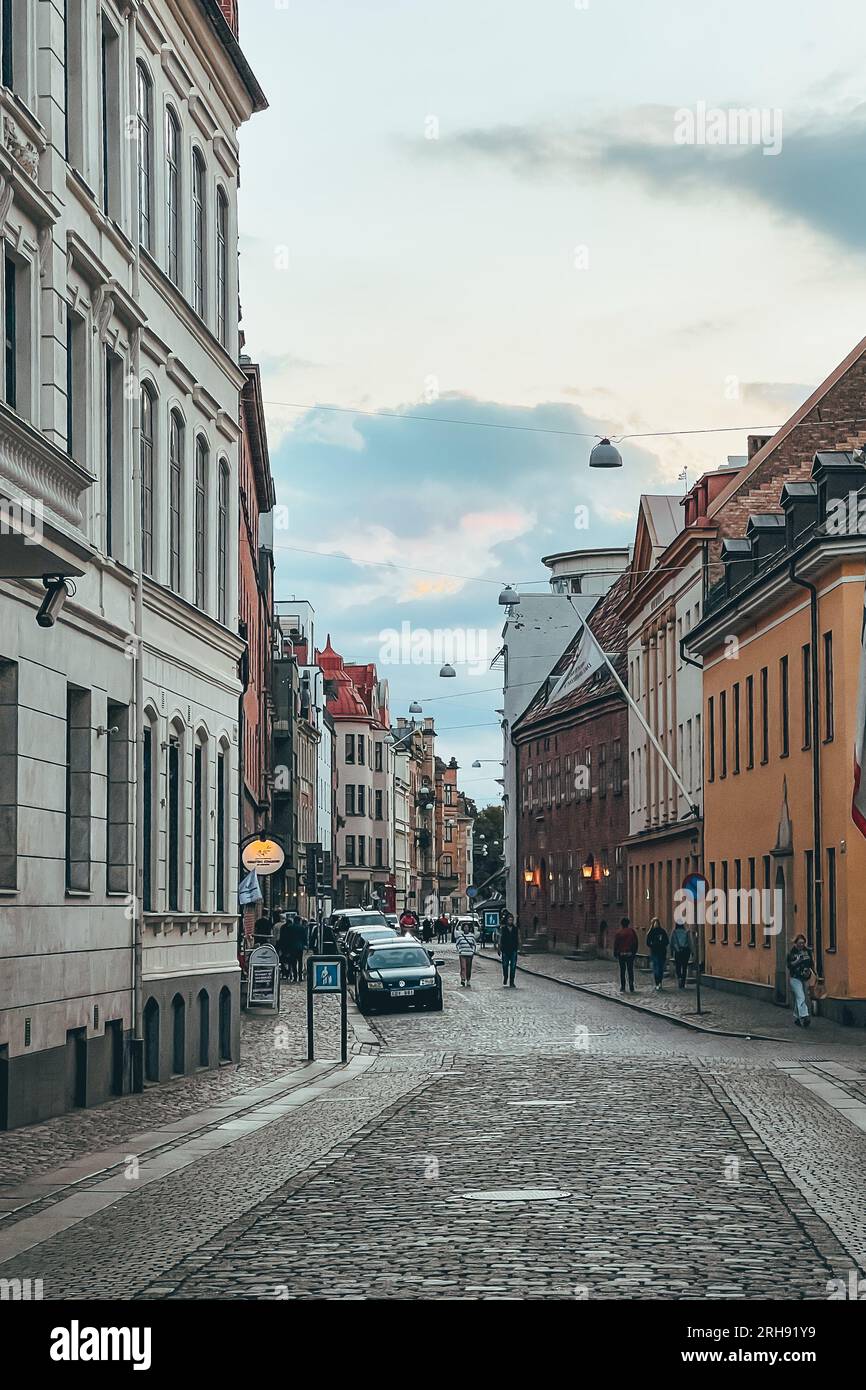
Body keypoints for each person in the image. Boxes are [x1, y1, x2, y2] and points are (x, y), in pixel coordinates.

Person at [787, 934, 814, 1028]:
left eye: (803, 943)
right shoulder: (792, 953)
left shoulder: (808, 952)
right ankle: (804, 1016)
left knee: (803, 997)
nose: (801, 945)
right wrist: (796, 961)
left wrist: (815, 974)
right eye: (799, 943)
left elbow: (811, 964)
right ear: (795, 943)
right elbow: (789, 965)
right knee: (800, 996)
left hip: (805, 977)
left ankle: (797, 1018)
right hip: (795, 978)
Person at [613, 916, 638, 993]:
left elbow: (616, 944)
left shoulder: (619, 933)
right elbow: (635, 943)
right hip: (630, 954)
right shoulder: (632, 932)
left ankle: (623, 986)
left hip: (621, 954)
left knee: (622, 970)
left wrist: (615, 952)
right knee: (630, 970)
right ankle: (631, 986)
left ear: (622, 924)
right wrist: (634, 952)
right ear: (628, 924)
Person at [646, 917, 669, 992]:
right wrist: (658, 945)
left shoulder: (654, 932)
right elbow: (648, 943)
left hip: (658, 952)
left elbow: (648, 943)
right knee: (658, 968)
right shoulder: (656, 932)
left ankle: (658, 983)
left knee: (658, 968)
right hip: (657, 952)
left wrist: (654, 945)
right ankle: (658, 983)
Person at [498, 910, 519, 988]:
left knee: (513, 966)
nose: (510, 921)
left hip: (513, 949)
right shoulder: (503, 929)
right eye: (509, 920)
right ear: (507, 920)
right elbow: (500, 938)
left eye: (512, 920)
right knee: (505, 965)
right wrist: (499, 948)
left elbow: (518, 938)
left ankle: (512, 981)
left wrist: (519, 948)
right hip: (505, 949)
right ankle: (505, 976)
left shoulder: (515, 929)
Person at [454, 920, 477, 986]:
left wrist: (473, 951)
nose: (466, 928)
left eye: (467, 927)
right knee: (463, 967)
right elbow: (457, 944)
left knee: (469, 967)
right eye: (465, 927)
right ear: (463, 928)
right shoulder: (460, 936)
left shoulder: (472, 936)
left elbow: (474, 945)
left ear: (469, 928)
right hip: (462, 954)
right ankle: (463, 979)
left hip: (470, 954)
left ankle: (468, 979)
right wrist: (459, 950)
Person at [670, 921, 692, 989]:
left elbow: (671, 942)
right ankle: (683, 982)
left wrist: (672, 951)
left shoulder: (674, 932)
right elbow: (689, 942)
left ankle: (679, 977)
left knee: (678, 966)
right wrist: (692, 951)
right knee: (684, 967)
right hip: (686, 951)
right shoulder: (686, 932)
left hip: (678, 951)